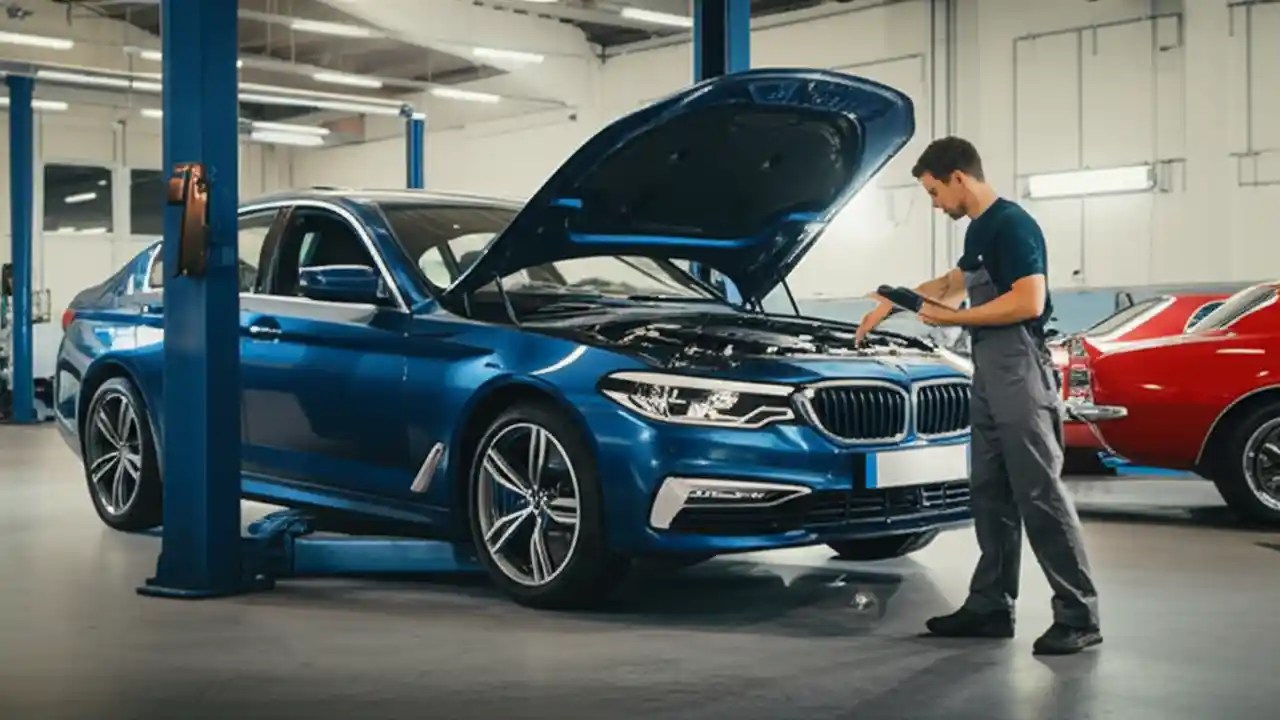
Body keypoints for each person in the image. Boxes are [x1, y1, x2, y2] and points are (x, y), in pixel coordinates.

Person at [856, 137, 1101, 655]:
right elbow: (952, 282)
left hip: (1018, 367)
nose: (934, 204)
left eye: (933, 192)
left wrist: (956, 317)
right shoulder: (980, 230)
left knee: (1039, 493)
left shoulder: (1012, 224)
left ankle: (1078, 614)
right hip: (988, 369)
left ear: (958, 178)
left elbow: (1028, 300)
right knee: (989, 492)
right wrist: (893, 301)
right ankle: (991, 605)